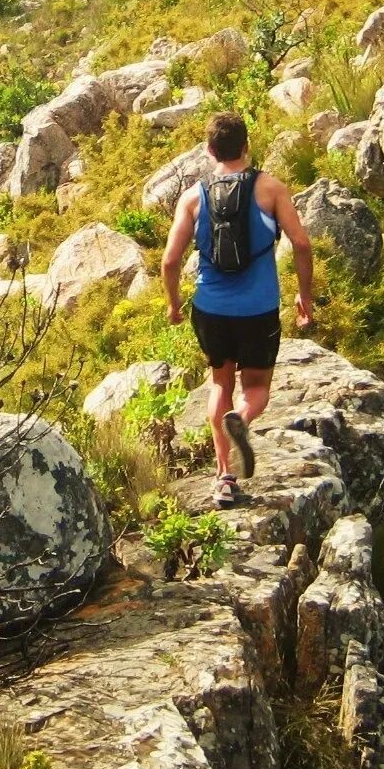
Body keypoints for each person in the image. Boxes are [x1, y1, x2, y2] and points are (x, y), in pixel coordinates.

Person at [160, 110, 315, 508]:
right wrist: (305, 297)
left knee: (219, 384)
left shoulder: (193, 197)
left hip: (210, 309)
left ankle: (224, 478)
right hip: (258, 309)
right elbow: (301, 243)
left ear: (210, 151)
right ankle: (241, 421)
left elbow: (170, 262)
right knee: (257, 390)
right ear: (247, 146)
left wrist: (175, 306)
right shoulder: (271, 189)